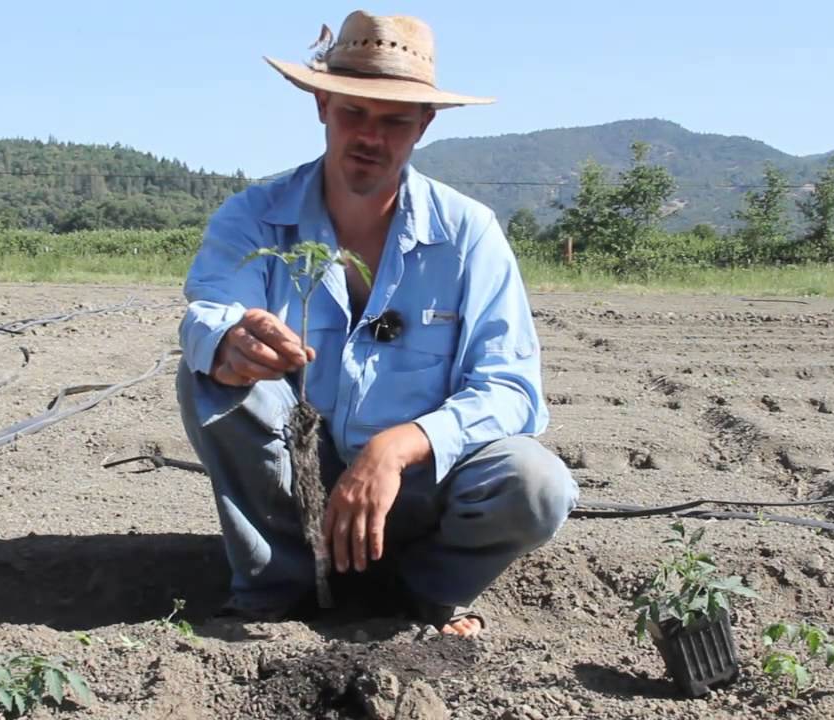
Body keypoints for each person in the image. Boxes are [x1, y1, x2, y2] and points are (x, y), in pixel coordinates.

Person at [175, 10, 577, 638]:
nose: (370, 136)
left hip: (416, 491)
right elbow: (212, 309)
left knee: (535, 483)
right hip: (295, 482)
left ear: (424, 124)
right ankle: (275, 589)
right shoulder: (255, 216)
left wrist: (398, 446)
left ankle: (425, 595)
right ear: (322, 105)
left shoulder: (468, 234)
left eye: (393, 120)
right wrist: (231, 341)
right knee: (208, 371)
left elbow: (512, 390)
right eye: (353, 112)